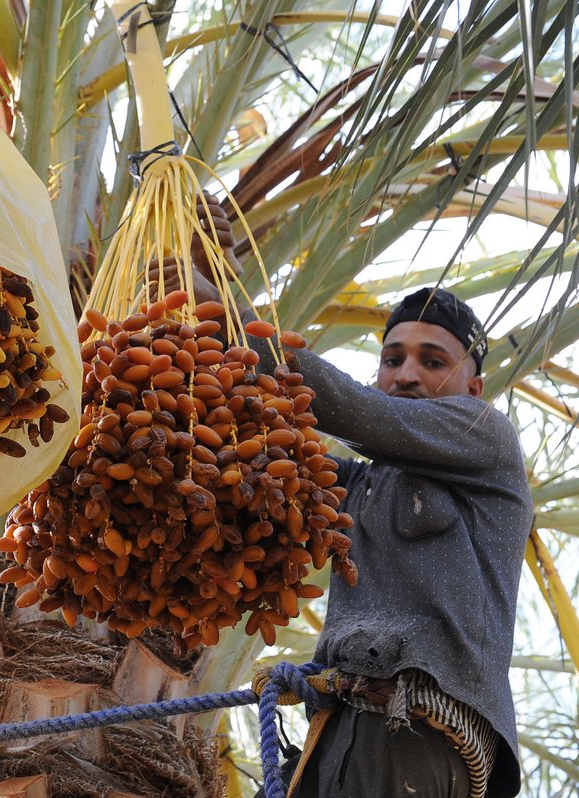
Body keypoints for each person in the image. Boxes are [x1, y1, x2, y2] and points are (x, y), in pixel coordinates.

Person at [168, 198, 533, 798]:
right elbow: (248, 456)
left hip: (415, 734)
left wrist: (221, 309)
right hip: (337, 736)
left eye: (432, 361)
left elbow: (339, 403)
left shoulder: (484, 437)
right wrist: (211, 271)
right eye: (392, 360)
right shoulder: (360, 485)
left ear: (474, 386)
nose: (406, 375)